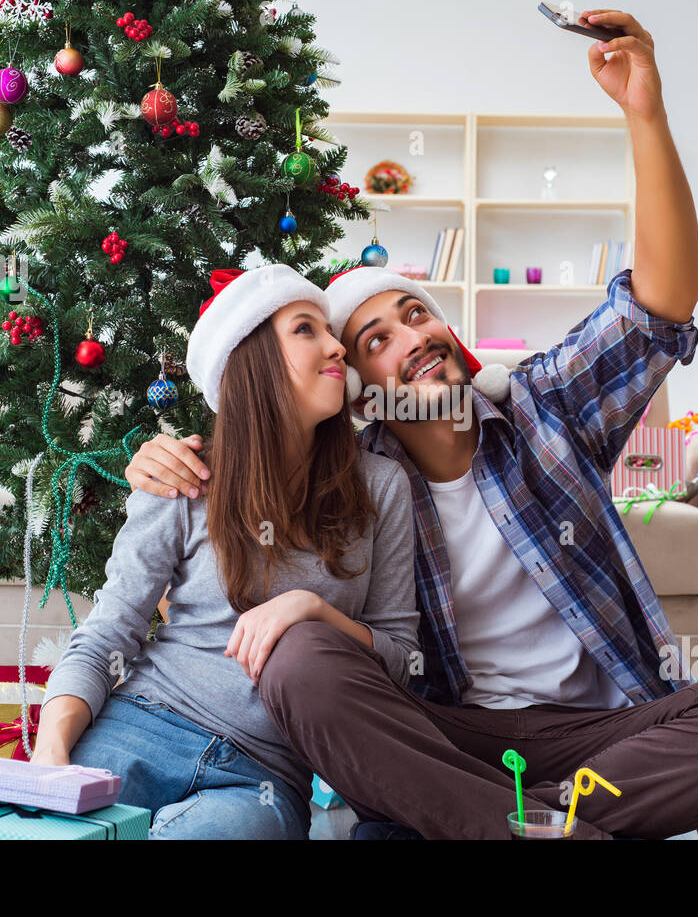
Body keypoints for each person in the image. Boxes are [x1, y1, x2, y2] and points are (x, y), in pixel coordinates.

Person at [125, 9, 698, 840]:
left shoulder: (544, 410)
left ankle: (527, 826)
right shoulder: (354, 479)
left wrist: (644, 112)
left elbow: (666, 298)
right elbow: (253, 455)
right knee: (301, 658)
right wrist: (166, 456)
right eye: (378, 339)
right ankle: (508, 820)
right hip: (443, 738)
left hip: (596, 739)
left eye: (418, 314)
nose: (413, 337)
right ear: (358, 389)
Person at [31, 263, 419, 840]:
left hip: (261, 777)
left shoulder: (381, 486)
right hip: (140, 727)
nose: (338, 346)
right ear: (254, 359)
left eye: (329, 330)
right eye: (306, 329)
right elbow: (109, 631)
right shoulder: (185, 478)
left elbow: (402, 661)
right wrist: (51, 751)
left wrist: (314, 610)